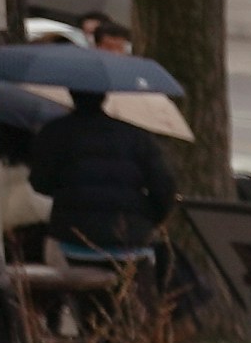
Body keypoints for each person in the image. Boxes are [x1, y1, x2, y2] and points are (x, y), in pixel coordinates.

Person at [27, 80, 178, 259]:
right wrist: (147, 218)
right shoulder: (137, 137)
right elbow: (165, 187)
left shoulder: (53, 133)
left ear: (71, 94)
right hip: (130, 242)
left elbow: (39, 183)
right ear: (105, 97)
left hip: (70, 240)